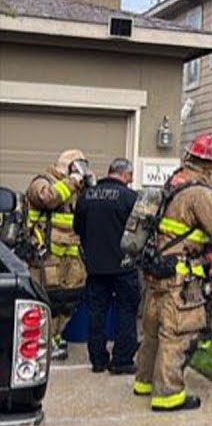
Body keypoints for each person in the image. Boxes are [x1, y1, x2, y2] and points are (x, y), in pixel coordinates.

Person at [134, 132, 212, 412]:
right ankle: (168, 395)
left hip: (156, 272)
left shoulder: (173, 183)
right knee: (176, 334)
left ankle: (144, 382)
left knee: (151, 331)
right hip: (179, 278)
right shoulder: (199, 193)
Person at [73, 158, 141, 374]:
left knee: (96, 313)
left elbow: (78, 228)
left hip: (95, 267)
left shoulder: (86, 197)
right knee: (126, 312)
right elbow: (139, 233)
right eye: (130, 176)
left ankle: (98, 360)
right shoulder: (130, 198)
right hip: (124, 265)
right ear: (126, 174)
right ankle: (121, 360)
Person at [25, 149, 94, 361]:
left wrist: (90, 186)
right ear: (70, 166)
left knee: (67, 300)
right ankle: (42, 342)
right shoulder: (41, 182)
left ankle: (55, 337)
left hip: (71, 256)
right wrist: (72, 181)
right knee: (46, 300)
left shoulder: (76, 188)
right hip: (46, 257)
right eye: (80, 166)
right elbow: (48, 199)